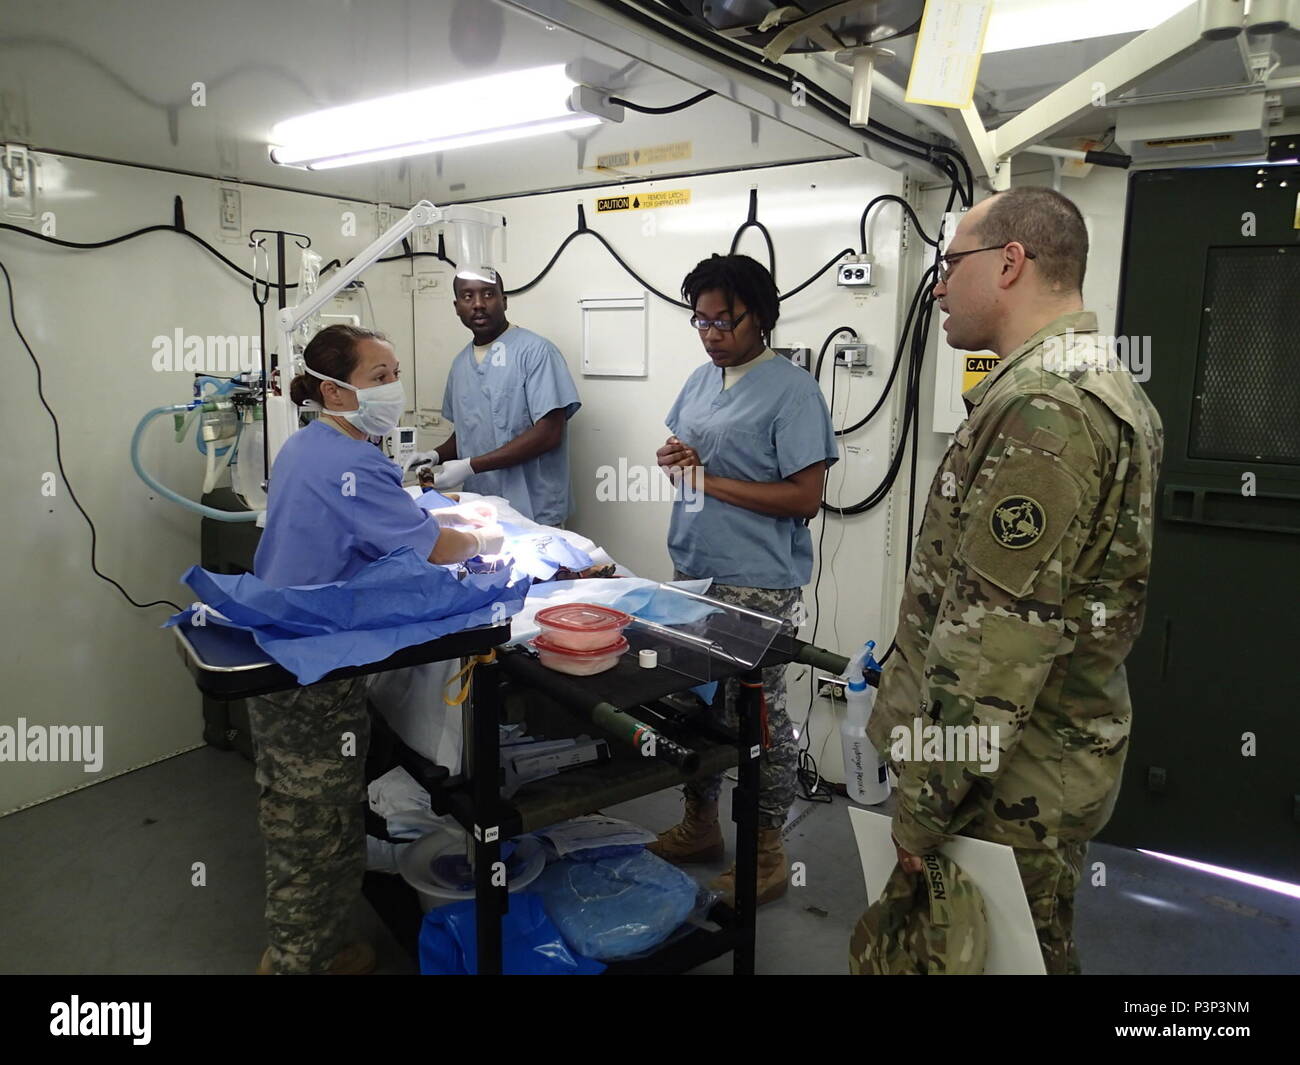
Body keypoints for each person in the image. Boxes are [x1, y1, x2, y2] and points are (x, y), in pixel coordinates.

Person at [867, 187, 1163, 974]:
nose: (936, 286)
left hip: (1004, 784)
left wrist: (923, 806)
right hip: (1040, 763)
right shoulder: (1098, 380)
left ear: (1008, 264)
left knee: (995, 955)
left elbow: (994, 648)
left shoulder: (1045, 407)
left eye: (949, 264)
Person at [248, 324, 502, 974]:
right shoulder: (349, 461)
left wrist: (435, 525)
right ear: (335, 389)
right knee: (310, 826)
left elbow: (374, 533)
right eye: (379, 376)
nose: (394, 388)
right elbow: (433, 546)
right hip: (307, 667)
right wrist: (481, 539)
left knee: (324, 812)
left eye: (395, 373)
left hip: (288, 647)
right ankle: (294, 962)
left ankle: (322, 949)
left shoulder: (305, 445)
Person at [650, 253, 838, 907]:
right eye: (699, 320)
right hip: (693, 566)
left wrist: (709, 479)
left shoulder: (793, 390)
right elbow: (688, 448)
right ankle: (699, 825)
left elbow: (804, 496)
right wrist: (678, 459)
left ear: (759, 314)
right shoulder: (704, 379)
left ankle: (764, 850)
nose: (710, 333)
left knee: (757, 716)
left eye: (723, 319)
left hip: (757, 579)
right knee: (692, 702)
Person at [411, 269, 581, 527]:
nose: (478, 304)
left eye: (488, 294)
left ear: (504, 300)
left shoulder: (536, 352)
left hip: (533, 507)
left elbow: (549, 433)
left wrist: (470, 466)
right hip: (480, 506)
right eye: (467, 296)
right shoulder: (460, 365)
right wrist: (434, 455)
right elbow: (469, 433)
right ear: (457, 307)